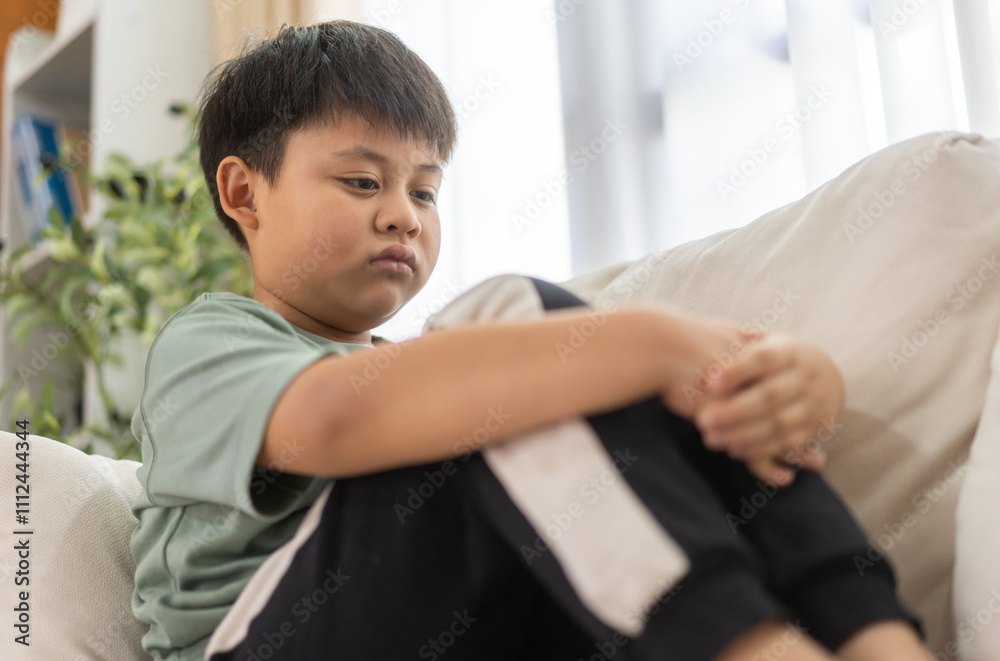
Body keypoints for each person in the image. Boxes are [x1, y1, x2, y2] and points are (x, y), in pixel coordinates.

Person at [128, 20, 933, 661]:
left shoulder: (412, 367)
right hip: (271, 640)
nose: (404, 214)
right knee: (517, 332)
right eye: (363, 181)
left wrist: (801, 383)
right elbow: (335, 419)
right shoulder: (209, 343)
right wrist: (655, 339)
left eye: (426, 190)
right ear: (244, 193)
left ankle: (879, 639)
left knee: (560, 379)